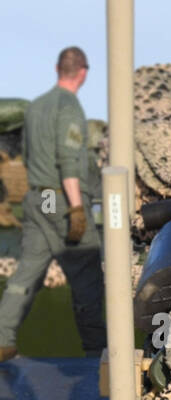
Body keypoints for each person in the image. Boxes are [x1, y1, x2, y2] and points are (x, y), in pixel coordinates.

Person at [0, 46, 106, 362]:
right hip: (61, 199)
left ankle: (3, 336)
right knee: (85, 271)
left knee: (27, 272)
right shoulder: (69, 107)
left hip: (41, 198)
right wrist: (76, 208)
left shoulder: (35, 108)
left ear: (57, 69)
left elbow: (31, 157)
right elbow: (68, 160)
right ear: (83, 73)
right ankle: (97, 351)